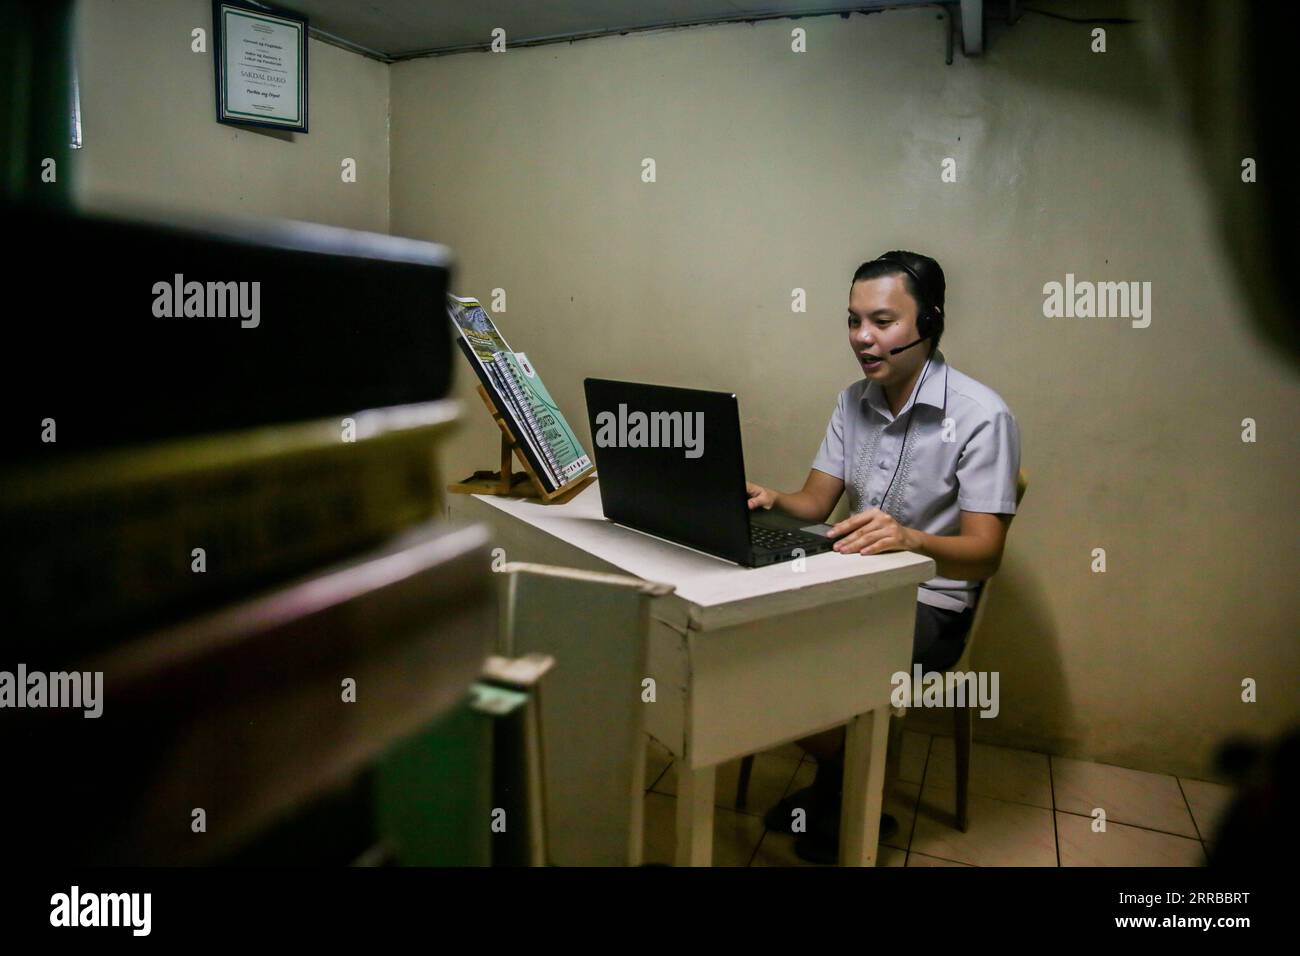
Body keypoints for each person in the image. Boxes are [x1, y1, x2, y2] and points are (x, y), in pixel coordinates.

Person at [745, 250, 1021, 863]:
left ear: (930, 322)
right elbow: (815, 504)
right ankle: (849, 775)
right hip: (843, 578)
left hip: (930, 601)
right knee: (748, 651)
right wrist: (772, 498)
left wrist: (911, 539)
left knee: (810, 670)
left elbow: (984, 556)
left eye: (882, 321)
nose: (862, 338)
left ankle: (848, 790)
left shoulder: (981, 417)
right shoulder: (853, 401)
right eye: (852, 321)